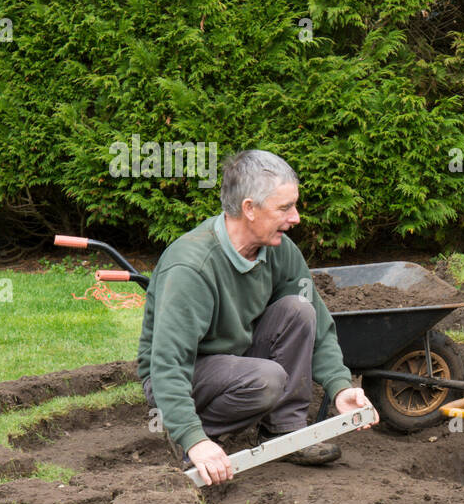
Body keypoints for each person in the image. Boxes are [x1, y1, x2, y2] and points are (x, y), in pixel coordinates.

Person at [138, 149, 377, 486]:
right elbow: (168, 363)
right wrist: (194, 439)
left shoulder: (278, 249)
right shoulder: (192, 268)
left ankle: (285, 433)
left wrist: (340, 387)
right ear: (249, 208)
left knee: (299, 309)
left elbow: (319, 325)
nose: (295, 218)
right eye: (284, 208)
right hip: (186, 373)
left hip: (235, 360)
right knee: (267, 379)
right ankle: (203, 439)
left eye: (294, 206)